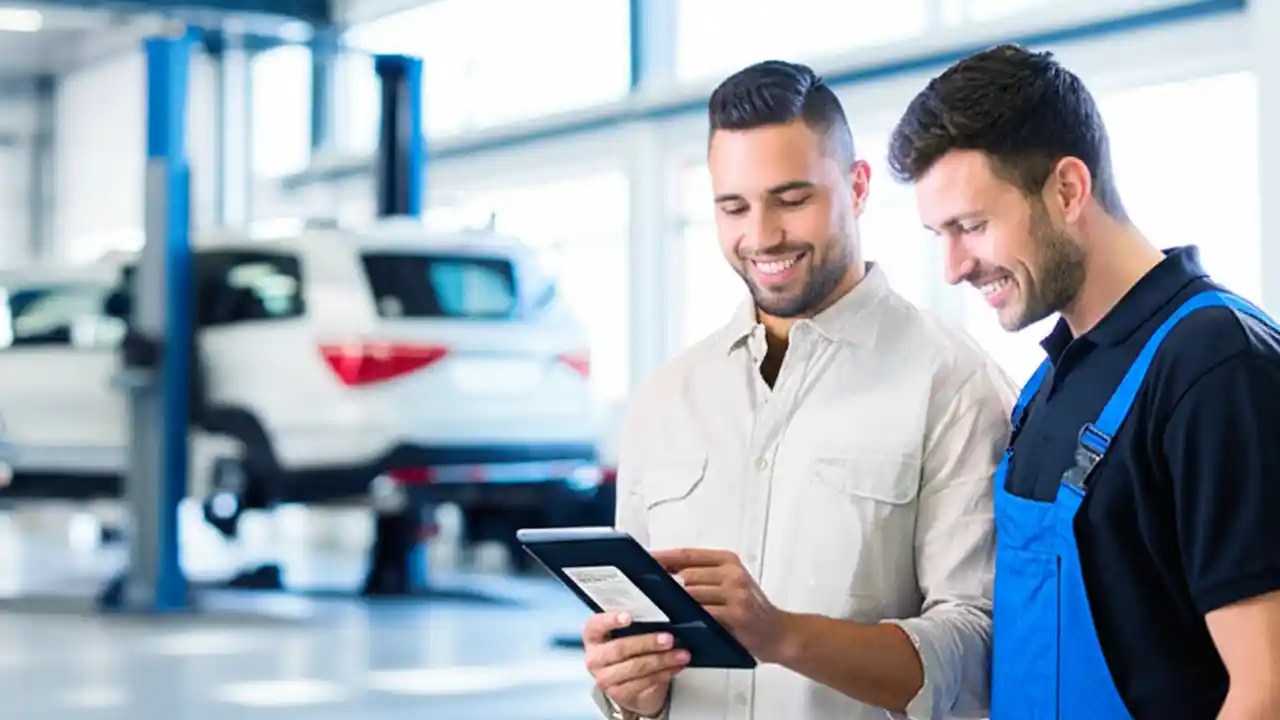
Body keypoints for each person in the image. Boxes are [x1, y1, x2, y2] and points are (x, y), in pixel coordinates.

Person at [580, 59, 1016, 720]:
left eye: (792, 199)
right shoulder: (666, 399)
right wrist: (629, 693)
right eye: (734, 207)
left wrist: (782, 634)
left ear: (858, 185)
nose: (761, 236)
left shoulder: (954, 384)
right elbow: (635, 636)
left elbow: (977, 653)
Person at [887, 43, 1280, 720]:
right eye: (938, 235)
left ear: (1068, 190)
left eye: (972, 227)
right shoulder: (1047, 386)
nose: (953, 267)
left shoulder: (1215, 366)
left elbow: (1266, 687)